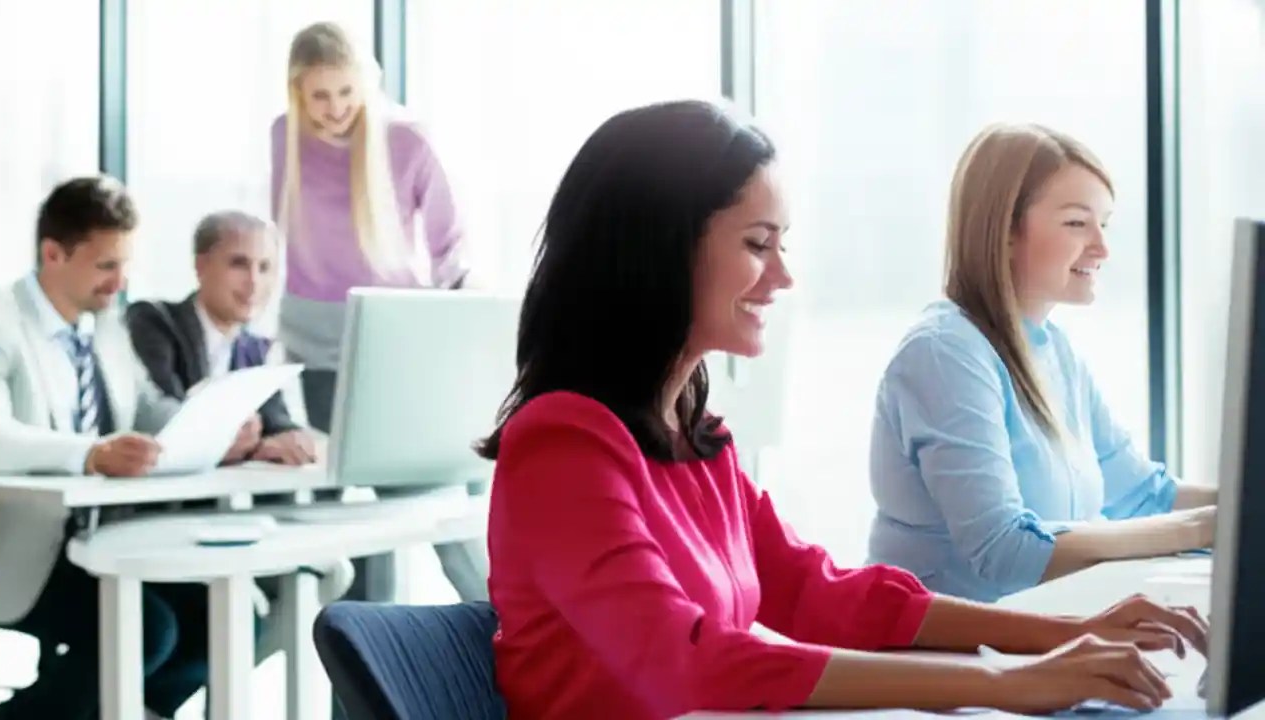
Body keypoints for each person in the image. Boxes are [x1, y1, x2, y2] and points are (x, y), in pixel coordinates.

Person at [478, 101, 1208, 719]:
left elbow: (815, 592)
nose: (784, 275)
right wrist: (1004, 680)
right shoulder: (563, 443)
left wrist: (1056, 634)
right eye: (759, 244)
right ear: (658, 250)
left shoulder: (696, 445)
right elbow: (682, 657)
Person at [866, 123, 1217, 603]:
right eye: (1077, 223)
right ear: (1005, 230)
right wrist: (1199, 528)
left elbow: (1142, 494)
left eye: (1105, 224)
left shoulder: (1056, 352)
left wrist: (1242, 503)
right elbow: (1004, 549)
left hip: (1031, 643)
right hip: (946, 657)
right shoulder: (944, 354)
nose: (1102, 247)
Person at [0, 176, 243, 719]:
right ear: (52, 253)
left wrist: (223, 434)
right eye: (106, 266)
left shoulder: (104, 327)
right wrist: (90, 453)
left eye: (125, 265)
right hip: (16, 547)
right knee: (148, 630)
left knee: (221, 617)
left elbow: (148, 410)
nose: (120, 282)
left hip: (105, 538)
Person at [271, 20, 486, 610]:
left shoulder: (407, 141)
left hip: (395, 349)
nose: (335, 108)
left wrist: (467, 335)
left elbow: (451, 247)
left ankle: (520, 651)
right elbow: (273, 241)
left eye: (346, 91)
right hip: (312, 350)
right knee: (343, 539)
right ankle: (361, 686)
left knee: (440, 514)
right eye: (319, 95)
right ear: (297, 92)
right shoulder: (283, 137)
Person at [125, 210, 314, 465]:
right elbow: (165, 417)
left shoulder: (256, 349)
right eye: (239, 264)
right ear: (201, 265)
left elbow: (278, 421)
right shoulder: (156, 322)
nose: (254, 282)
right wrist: (248, 445)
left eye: (265, 267)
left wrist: (288, 439)